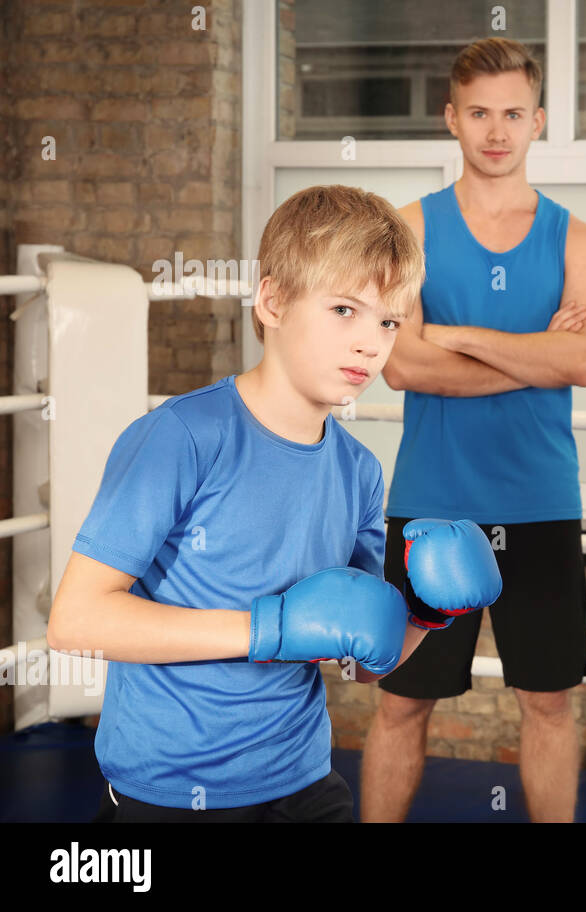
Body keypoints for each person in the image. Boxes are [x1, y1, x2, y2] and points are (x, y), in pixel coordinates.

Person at [46, 184, 484, 821]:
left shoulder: (360, 470)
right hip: (171, 792)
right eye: (344, 310)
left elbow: (361, 661)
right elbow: (76, 621)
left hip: (304, 780)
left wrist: (423, 612)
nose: (371, 344)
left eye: (389, 321)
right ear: (274, 300)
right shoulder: (183, 437)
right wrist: (268, 628)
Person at [361, 37, 586, 824]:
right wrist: (535, 351)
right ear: (452, 119)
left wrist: (456, 334)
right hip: (433, 501)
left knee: (546, 704)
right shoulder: (409, 227)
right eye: (479, 113)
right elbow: (402, 367)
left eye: (512, 114)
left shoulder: (580, 240)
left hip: (539, 502)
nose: (496, 131)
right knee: (403, 705)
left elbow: (583, 362)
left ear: (538, 121)